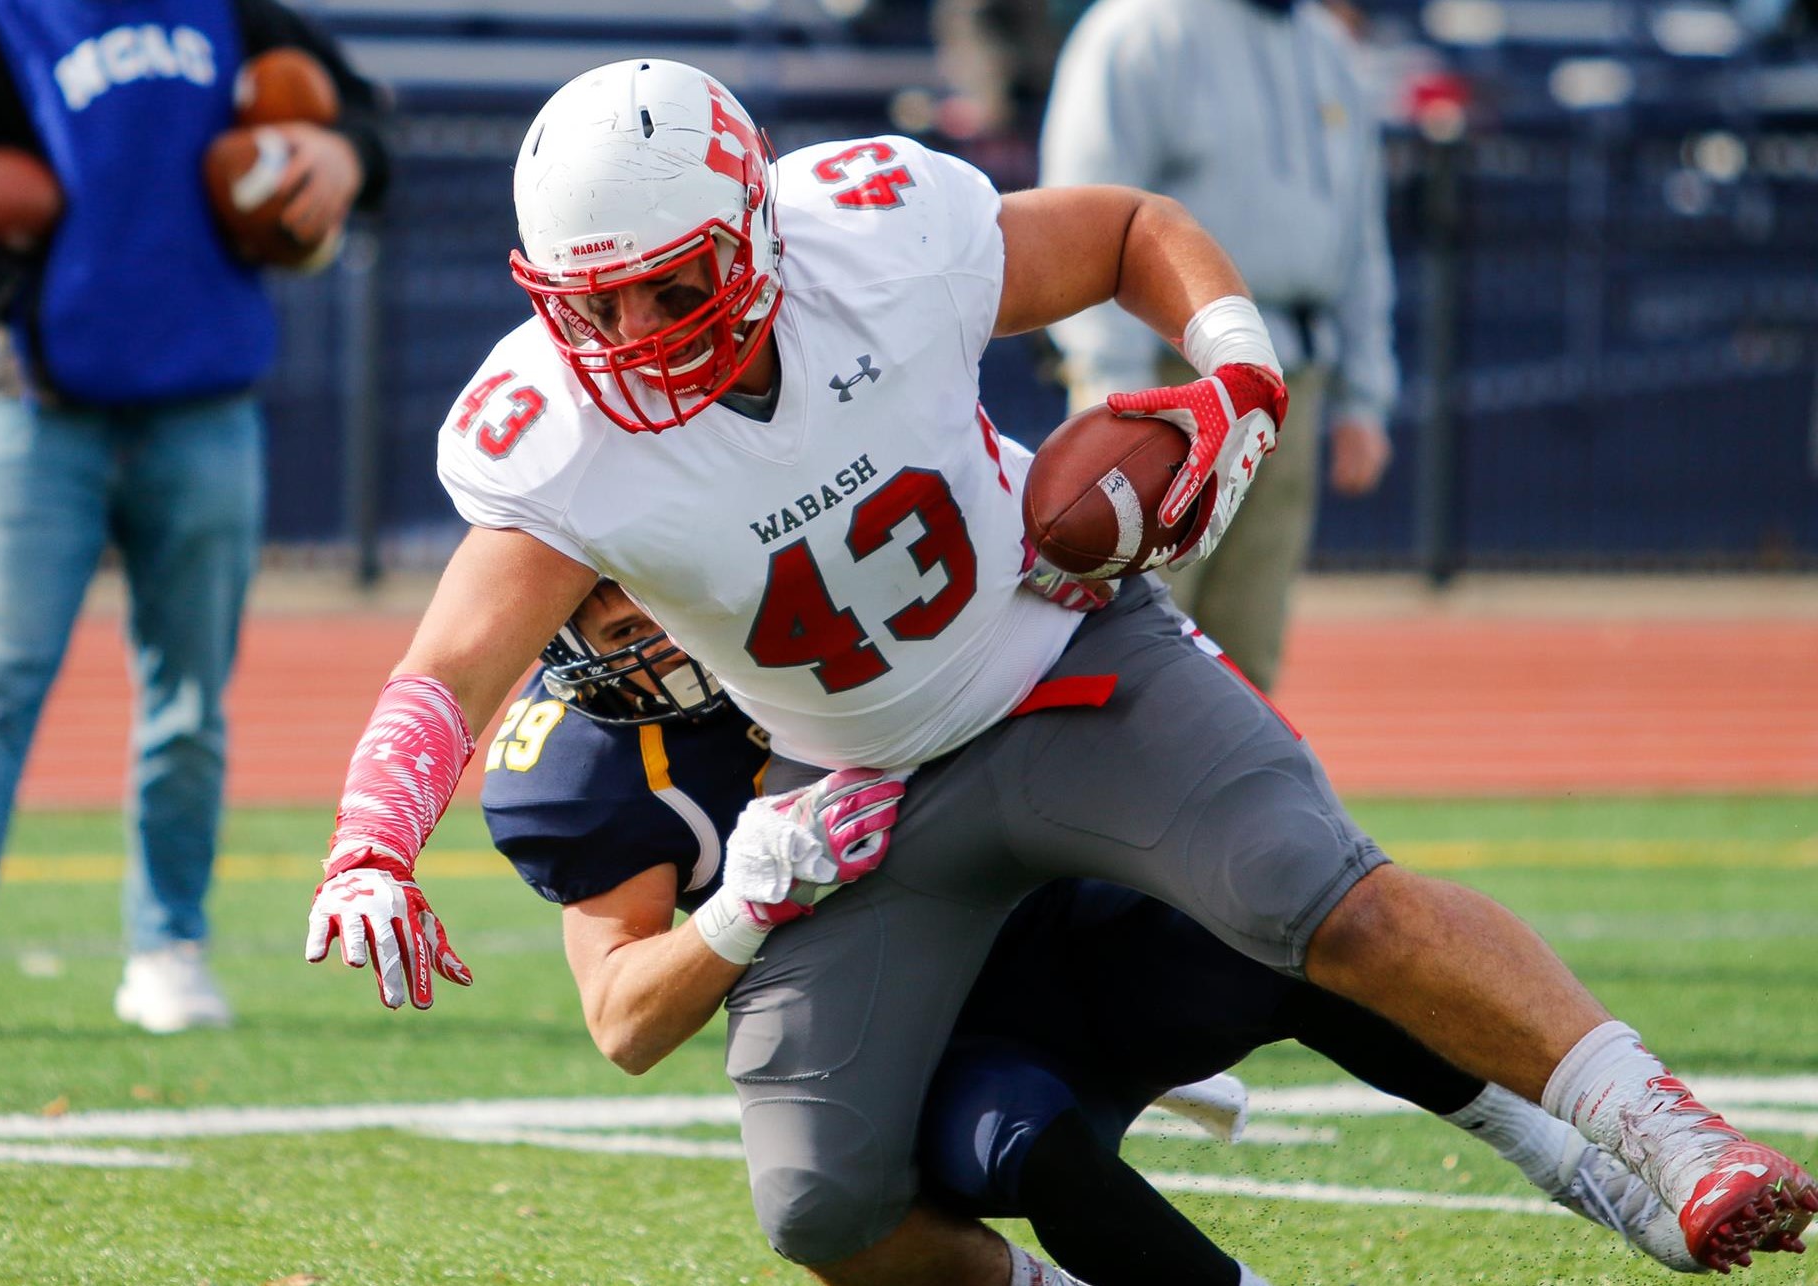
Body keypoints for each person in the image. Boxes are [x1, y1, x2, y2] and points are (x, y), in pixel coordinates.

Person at [303, 58, 1813, 1284]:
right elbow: (453, 662)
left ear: (755, 226)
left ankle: (1672, 1146)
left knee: (1318, 891)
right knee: (821, 1206)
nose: (632, 333)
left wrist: (1235, 373)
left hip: (1062, 662)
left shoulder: (874, 232)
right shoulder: (551, 430)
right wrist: (371, 839)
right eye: (596, 301)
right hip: (860, 789)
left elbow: (1126, 225)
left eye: (668, 283)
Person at [469, 578, 1702, 1284]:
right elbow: (622, 1016)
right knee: (1009, 1139)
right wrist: (745, 905)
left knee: (1282, 925)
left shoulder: (822, 565)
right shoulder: (588, 770)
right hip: (923, 1023)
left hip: (1069, 922)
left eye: (662, 595)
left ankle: (1557, 1145)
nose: (665, 636)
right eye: (620, 626)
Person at [0, 0, 388, 1039]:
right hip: (39, 410)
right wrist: (5, 301)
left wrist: (342, 156)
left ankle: (167, 945)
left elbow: (358, 120)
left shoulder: (230, 8)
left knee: (187, 698)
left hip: (206, 405)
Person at [1041, 0, 1397, 693]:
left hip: (1292, 376)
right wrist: (1108, 385)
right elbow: (1078, 219)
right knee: (1134, 647)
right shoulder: (1139, 29)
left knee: (1246, 660)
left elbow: (1360, 237)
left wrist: (1366, 394)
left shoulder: (1326, 45)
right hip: (1173, 378)